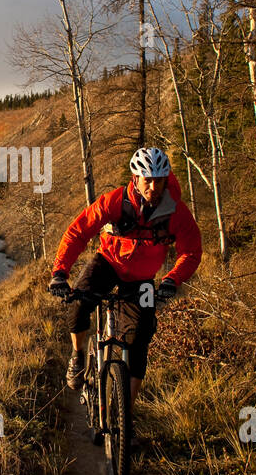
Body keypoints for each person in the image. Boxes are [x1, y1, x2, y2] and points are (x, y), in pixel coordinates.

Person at [48, 147, 202, 405]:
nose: (154, 186)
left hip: (142, 279)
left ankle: (124, 414)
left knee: (141, 339)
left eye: (159, 180)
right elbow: (78, 232)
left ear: (167, 179)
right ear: (136, 179)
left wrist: (171, 280)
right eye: (148, 180)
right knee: (78, 306)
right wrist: (60, 273)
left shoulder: (176, 212)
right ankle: (77, 355)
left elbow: (192, 252)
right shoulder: (116, 201)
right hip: (108, 262)